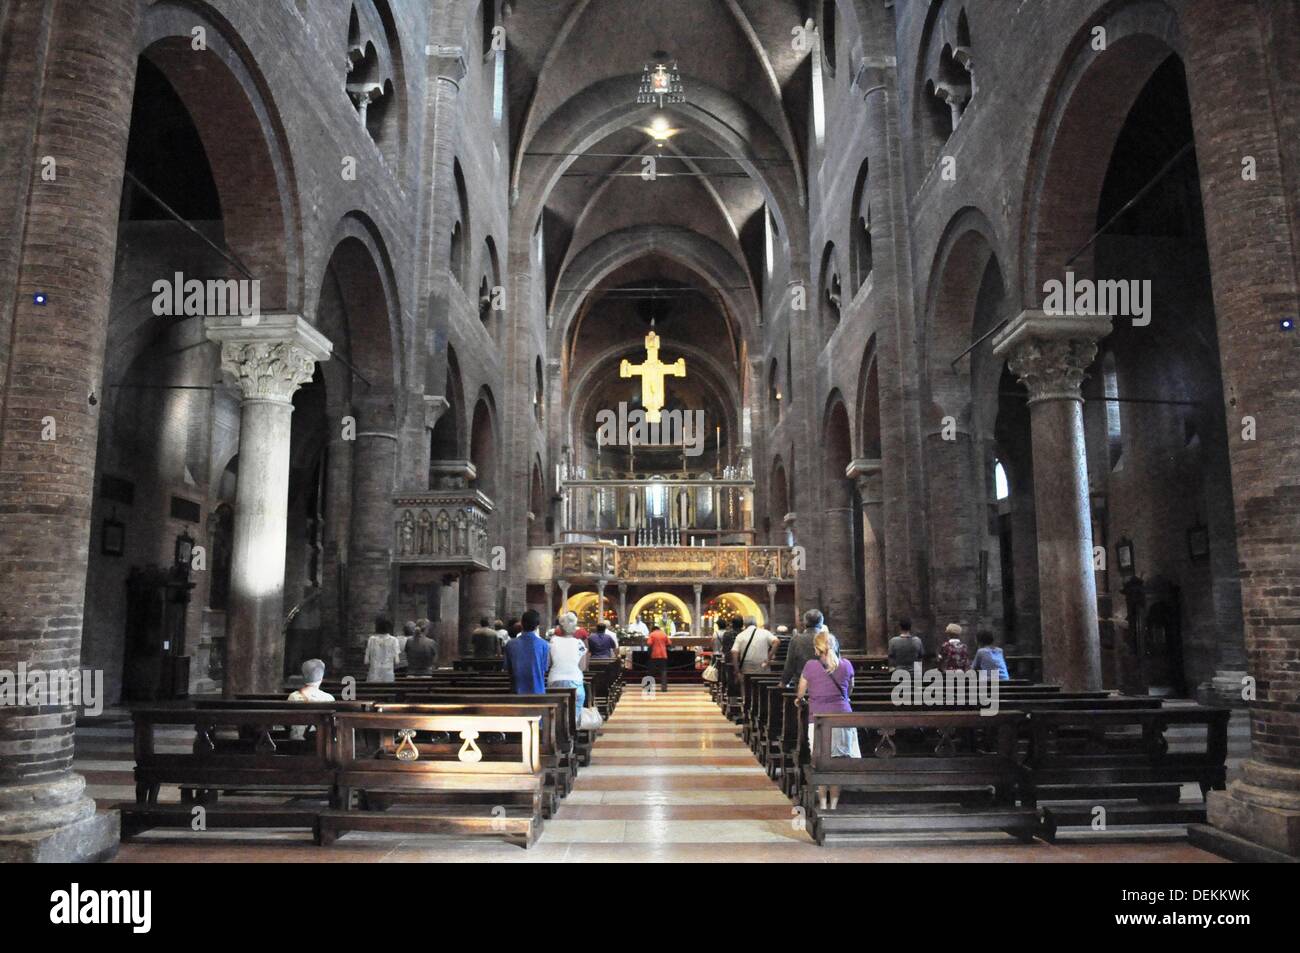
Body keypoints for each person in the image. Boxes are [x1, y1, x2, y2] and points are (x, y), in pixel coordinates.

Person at [796, 631, 860, 810]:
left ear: (817, 649)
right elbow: (850, 690)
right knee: (837, 764)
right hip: (842, 718)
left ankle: (823, 804)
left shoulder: (810, 666)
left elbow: (801, 692)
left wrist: (799, 699)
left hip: (818, 720)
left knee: (820, 763)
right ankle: (834, 805)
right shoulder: (846, 665)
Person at [781, 609, 839, 687]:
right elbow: (836, 662)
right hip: (827, 685)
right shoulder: (831, 639)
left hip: (804, 686)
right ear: (821, 624)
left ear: (805, 623)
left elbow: (790, 665)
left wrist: (784, 682)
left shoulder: (796, 640)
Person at [548, 613, 589, 712]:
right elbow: (582, 667)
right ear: (574, 627)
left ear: (560, 627)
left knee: (557, 713)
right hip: (575, 680)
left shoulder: (552, 642)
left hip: (555, 680)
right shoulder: (579, 643)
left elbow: (548, 664)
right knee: (575, 714)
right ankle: (574, 726)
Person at [503, 609, 550, 695]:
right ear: (537, 626)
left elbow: (508, 668)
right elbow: (544, 668)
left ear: (522, 623)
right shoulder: (544, 645)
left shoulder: (510, 644)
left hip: (517, 691)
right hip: (537, 691)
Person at [364, 615, 401, 683]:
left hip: (373, 677)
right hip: (388, 677)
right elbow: (397, 661)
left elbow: (366, 661)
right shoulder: (394, 640)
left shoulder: (371, 640)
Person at [646, 621, 671, 693]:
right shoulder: (663, 634)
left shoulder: (652, 634)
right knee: (663, 672)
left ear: (652, 630)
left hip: (654, 655)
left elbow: (649, 643)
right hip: (663, 655)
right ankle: (664, 688)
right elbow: (669, 643)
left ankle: (649, 688)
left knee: (651, 672)